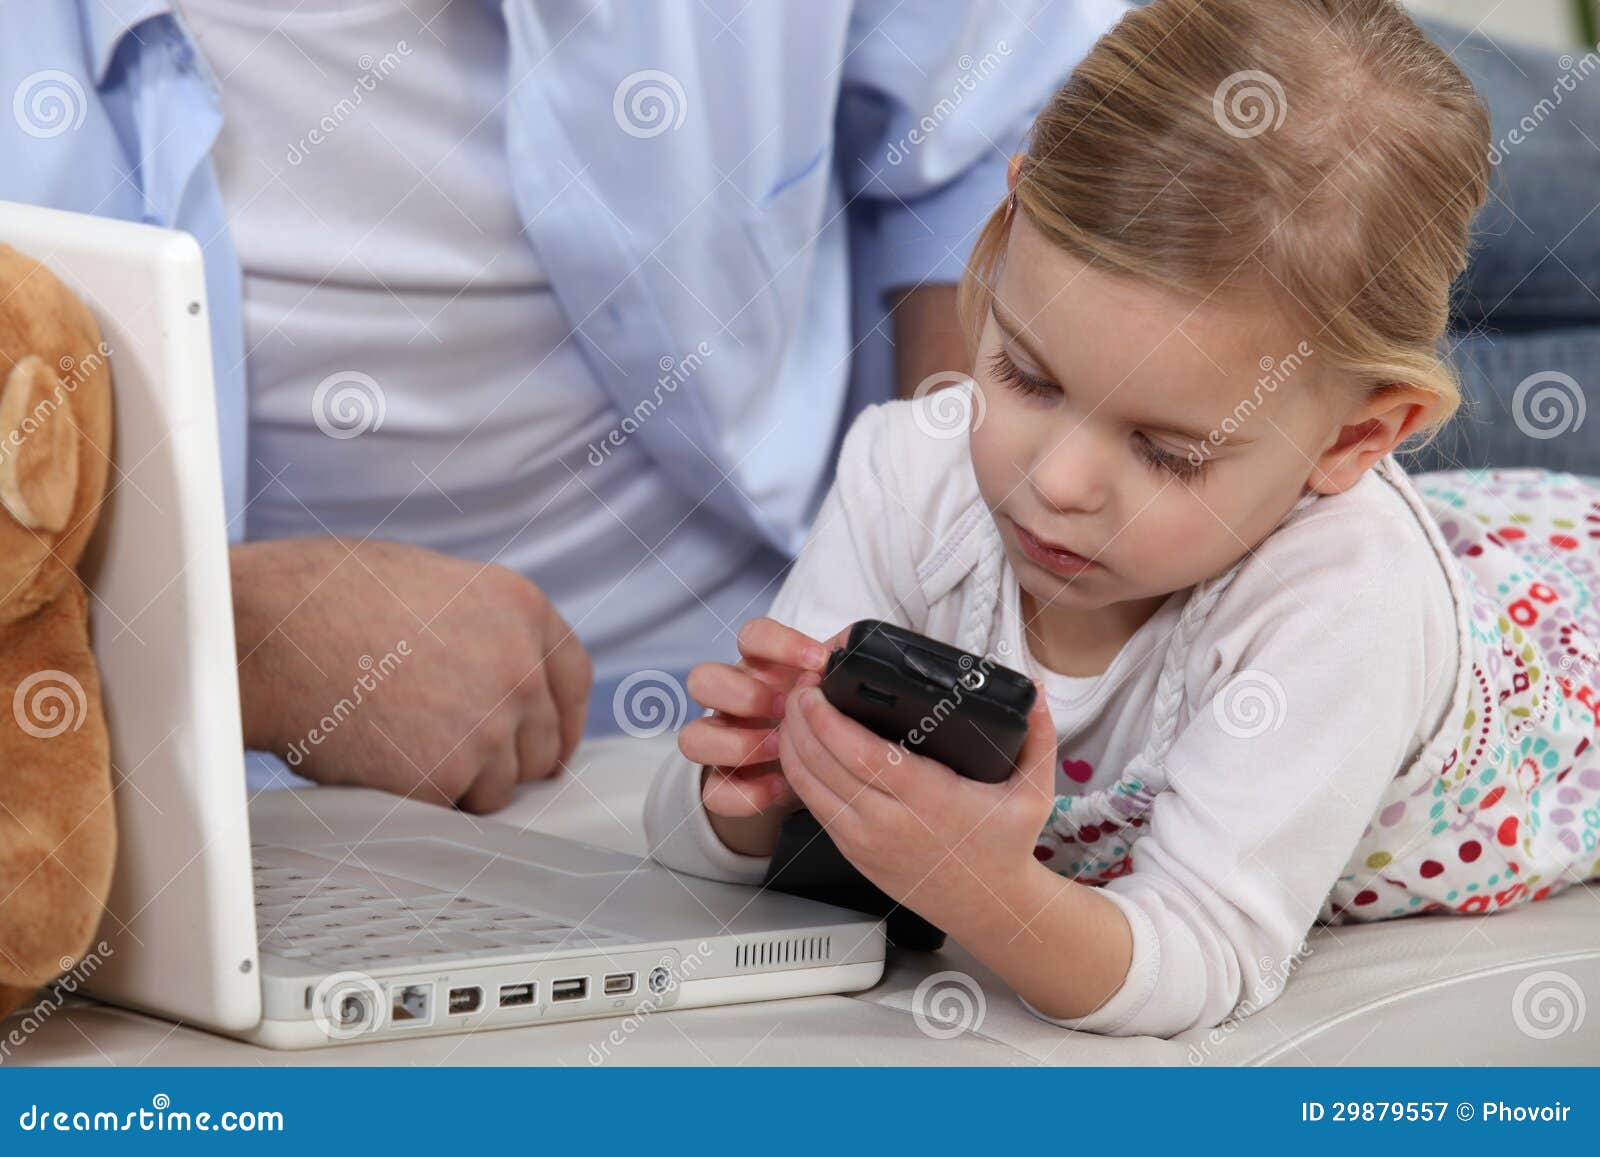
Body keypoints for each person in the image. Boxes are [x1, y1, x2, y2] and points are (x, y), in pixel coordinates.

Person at [644, 0, 1600, 1038]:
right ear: (1001, 233)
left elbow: (1205, 952)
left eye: (1168, 451)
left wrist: (985, 891)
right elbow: (683, 835)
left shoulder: (1347, 597)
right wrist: (751, 787)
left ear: (1353, 440)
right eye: (1026, 375)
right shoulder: (909, 472)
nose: (1058, 483)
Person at [0, 0, 1118, 808]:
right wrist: (234, 636)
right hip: (154, 777)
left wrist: (958, 612)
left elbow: (999, 136)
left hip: (775, 722)